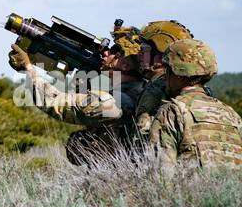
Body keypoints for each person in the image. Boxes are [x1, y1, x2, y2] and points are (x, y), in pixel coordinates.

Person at [8, 25, 144, 165]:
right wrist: (82, 83)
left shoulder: (119, 101)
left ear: (126, 65)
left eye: (115, 52)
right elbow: (87, 113)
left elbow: (58, 104)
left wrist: (28, 69)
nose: (106, 53)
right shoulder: (139, 92)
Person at [150, 38, 242, 174]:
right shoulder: (231, 114)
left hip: (191, 193)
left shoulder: (172, 112)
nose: (165, 77)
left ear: (180, 73)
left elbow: (161, 173)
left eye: (168, 70)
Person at [132, 21, 192, 140]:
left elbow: (142, 138)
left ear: (162, 53)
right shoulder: (176, 82)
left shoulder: (159, 85)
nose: (139, 54)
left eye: (144, 49)